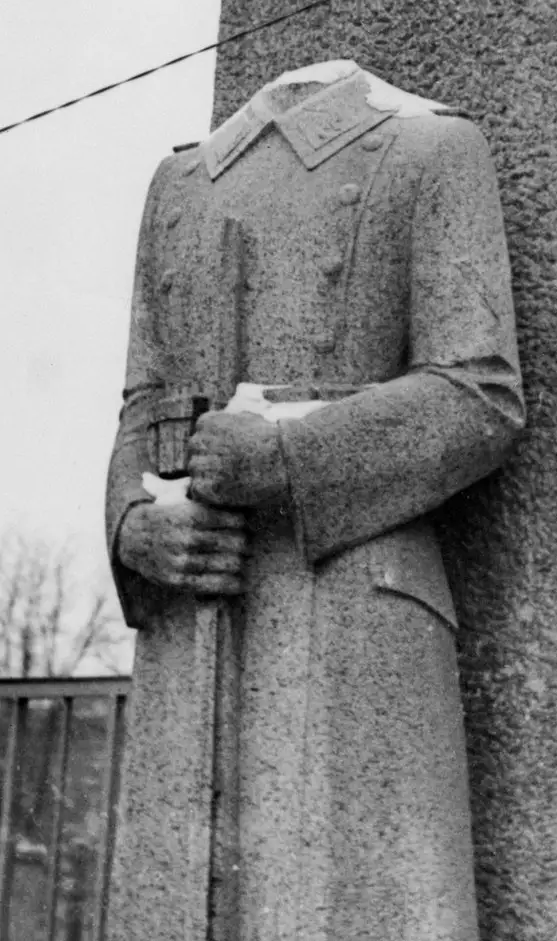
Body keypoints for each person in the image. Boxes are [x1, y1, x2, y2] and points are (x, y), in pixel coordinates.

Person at [104, 60, 526, 941]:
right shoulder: (179, 180)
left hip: (355, 606)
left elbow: (479, 395)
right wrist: (134, 527)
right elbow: (144, 404)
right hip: (198, 614)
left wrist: (290, 455)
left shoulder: (432, 147)